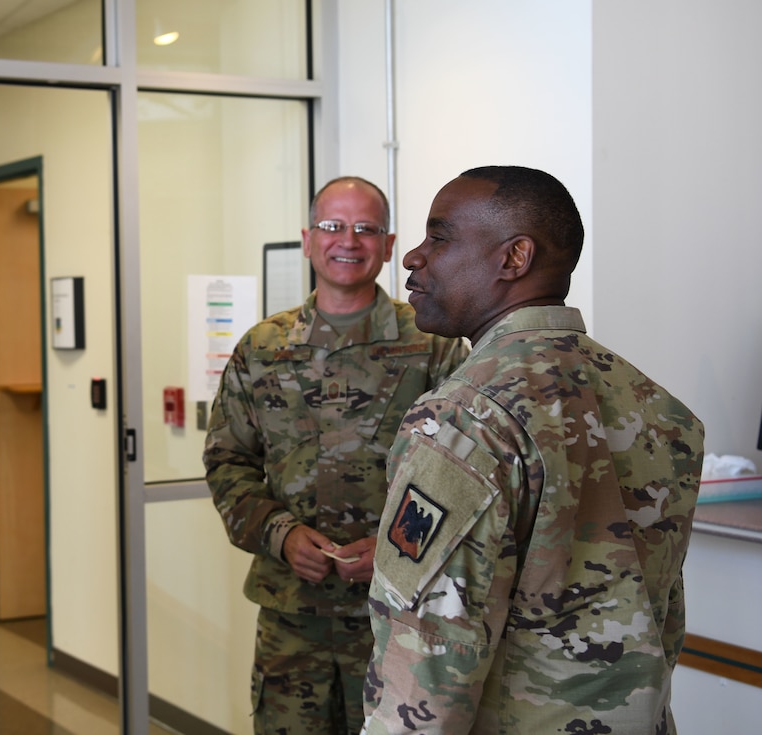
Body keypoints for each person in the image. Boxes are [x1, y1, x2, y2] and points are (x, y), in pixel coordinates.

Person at [362, 166, 705, 734]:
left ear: (514, 258)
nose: (414, 258)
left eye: (439, 237)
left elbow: (429, 652)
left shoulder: (465, 418)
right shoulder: (657, 406)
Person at [204, 176, 469, 734]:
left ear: (389, 245)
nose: (348, 241)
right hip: (291, 617)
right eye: (332, 226)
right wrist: (280, 533)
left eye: (366, 229)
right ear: (307, 239)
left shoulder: (433, 347)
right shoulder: (263, 348)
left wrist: (402, 551)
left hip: (400, 618)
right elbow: (228, 463)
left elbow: (463, 474)